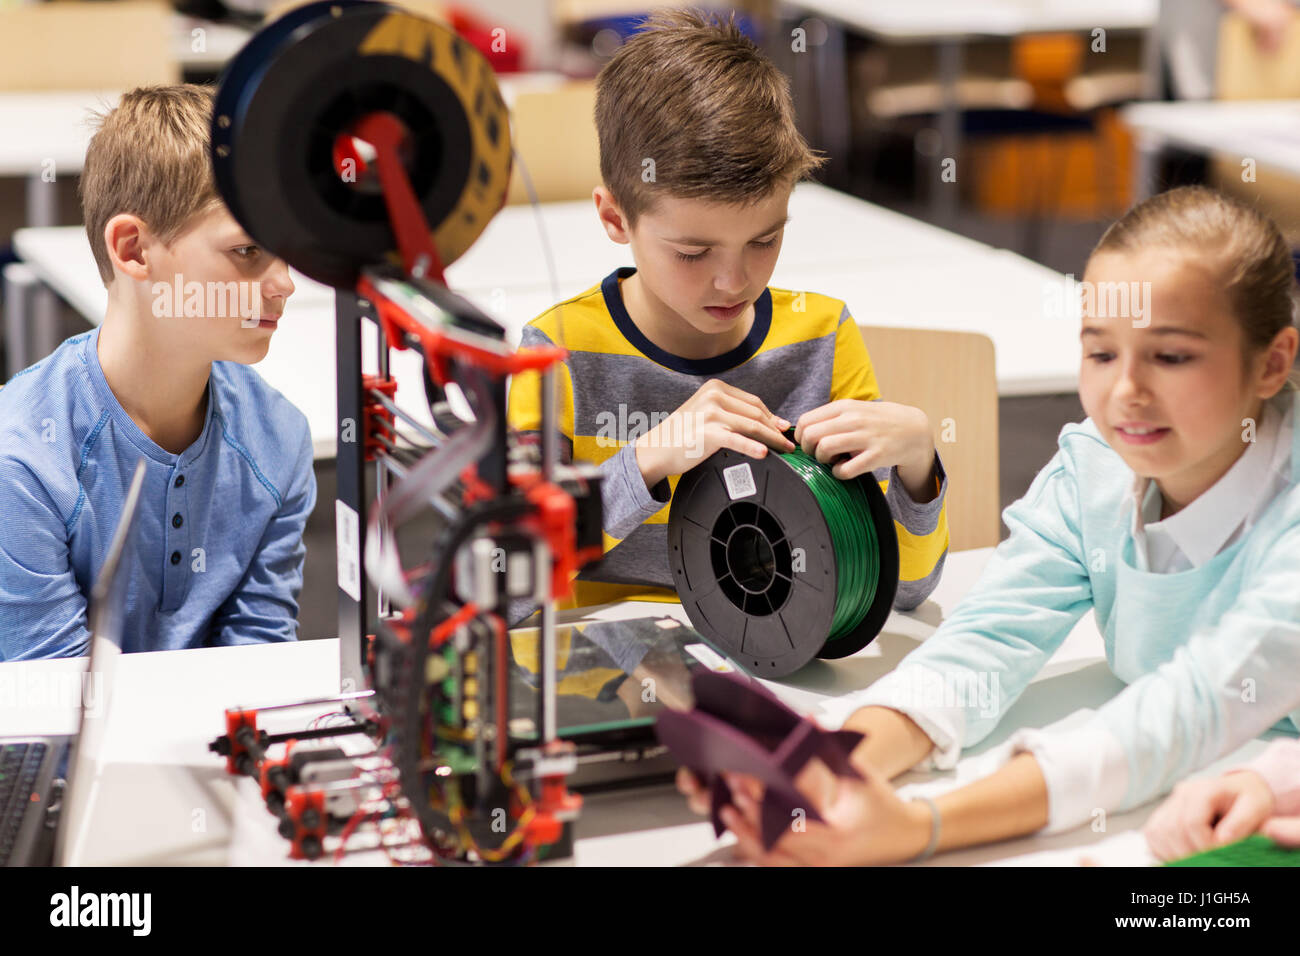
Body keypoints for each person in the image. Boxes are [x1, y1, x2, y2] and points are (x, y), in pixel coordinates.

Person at [680, 185, 1300, 865]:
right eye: (1100, 353)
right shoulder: (1095, 466)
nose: (1125, 392)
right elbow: (984, 644)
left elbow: (1186, 712)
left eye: (1172, 356)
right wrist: (836, 765)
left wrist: (922, 826)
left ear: (1272, 363)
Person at [506, 10, 948, 622]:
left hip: (782, 672)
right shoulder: (554, 353)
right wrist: (649, 461)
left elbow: (899, 593)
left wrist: (918, 467)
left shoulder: (822, 338)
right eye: (692, 252)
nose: (734, 281)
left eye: (764, 241)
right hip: (615, 680)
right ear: (615, 219)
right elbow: (507, 584)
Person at [0, 85, 315, 659]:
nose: (284, 284)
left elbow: (261, 664)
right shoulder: (22, 460)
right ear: (134, 250)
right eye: (247, 252)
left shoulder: (279, 440)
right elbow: (63, 705)